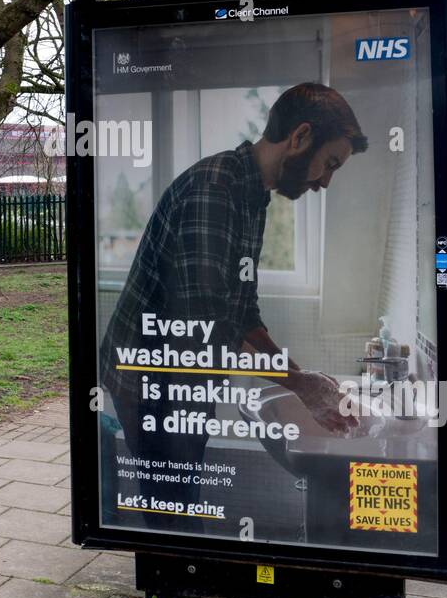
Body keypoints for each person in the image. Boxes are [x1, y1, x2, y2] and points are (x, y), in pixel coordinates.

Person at [99, 82, 368, 468]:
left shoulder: (253, 194)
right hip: (148, 376)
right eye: (330, 164)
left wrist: (301, 375)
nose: (325, 182)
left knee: (184, 482)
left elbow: (240, 312)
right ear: (300, 136)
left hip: (186, 370)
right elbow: (207, 326)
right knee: (173, 496)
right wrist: (299, 385)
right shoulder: (215, 189)